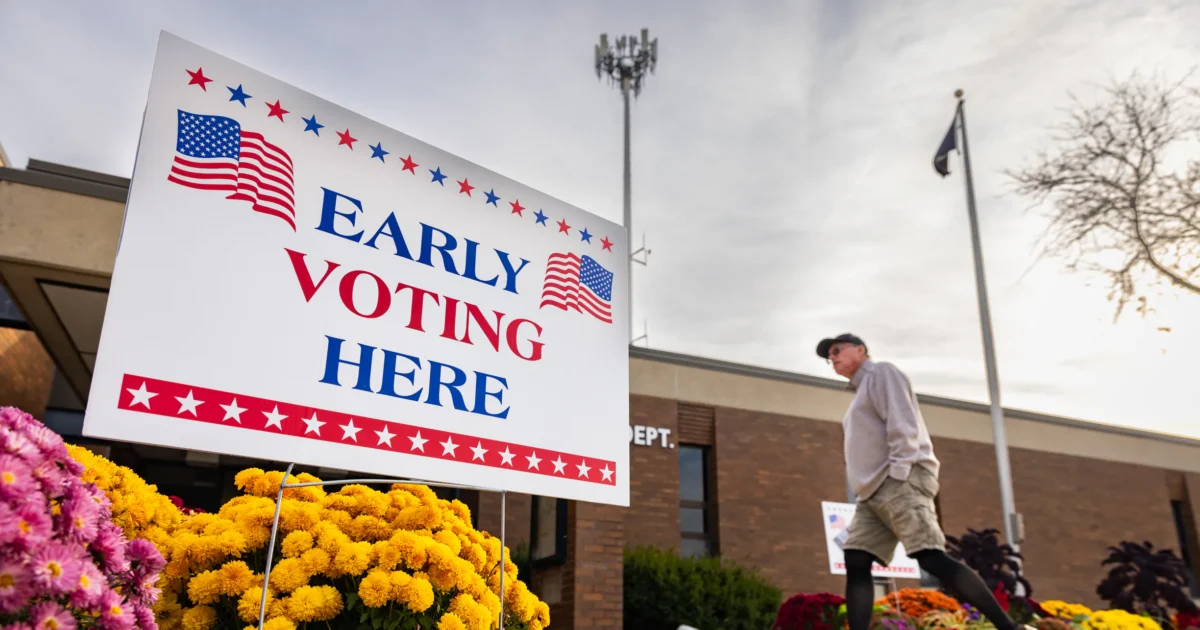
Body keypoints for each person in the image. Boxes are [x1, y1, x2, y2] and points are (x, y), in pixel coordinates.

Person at [816, 333, 1027, 630]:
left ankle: (1010, 628)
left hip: (897, 480)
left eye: (837, 350)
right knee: (856, 560)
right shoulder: (860, 393)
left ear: (861, 350)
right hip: (872, 495)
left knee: (928, 556)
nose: (832, 358)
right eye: (829, 357)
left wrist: (900, 472)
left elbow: (903, 423)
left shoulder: (881, 373)